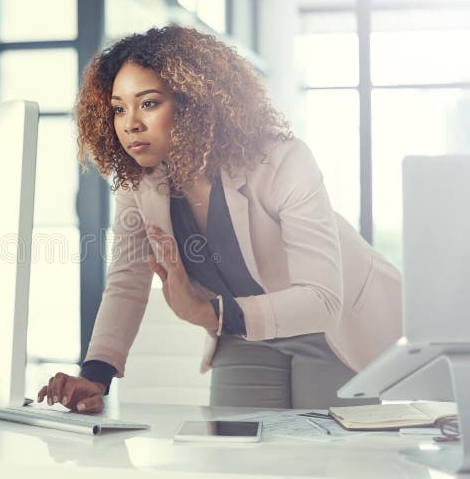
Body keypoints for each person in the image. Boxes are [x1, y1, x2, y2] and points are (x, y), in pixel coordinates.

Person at [37, 26, 402, 413]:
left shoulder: (281, 160)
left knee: (324, 461)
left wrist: (206, 312)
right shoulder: (138, 181)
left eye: (148, 103)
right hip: (239, 331)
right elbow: (128, 278)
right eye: (118, 108)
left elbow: (323, 300)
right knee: (236, 459)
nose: (130, 124)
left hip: (329, 328)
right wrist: (96, 374)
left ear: (194, 102)